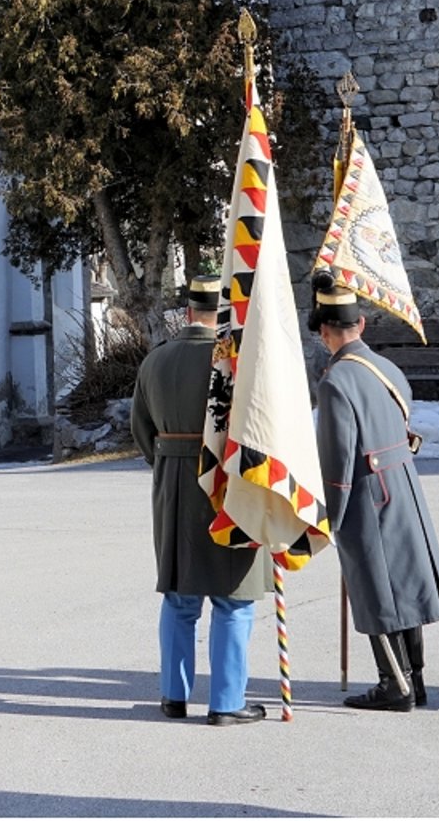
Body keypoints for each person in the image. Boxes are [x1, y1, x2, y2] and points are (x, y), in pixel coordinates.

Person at [129, 278, 270, 725]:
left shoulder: (156, 360)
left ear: (188, 312)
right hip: (230, 483)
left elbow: (140, 429)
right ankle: (227, 703)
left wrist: (169, 461)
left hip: (173, 484)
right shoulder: (239, 361)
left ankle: (173, 696)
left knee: (179, 595)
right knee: (233, 599)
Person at [312, 286, 439, 712]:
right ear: (360, 325)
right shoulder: (387, 368)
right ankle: (416, 679)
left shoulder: (336, 381)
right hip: (403, 483)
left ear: (324, 332)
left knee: (377, 591)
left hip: (366, 492)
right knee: (404, 587)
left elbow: (337, 457)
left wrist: (332, 514)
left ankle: (395, 686)